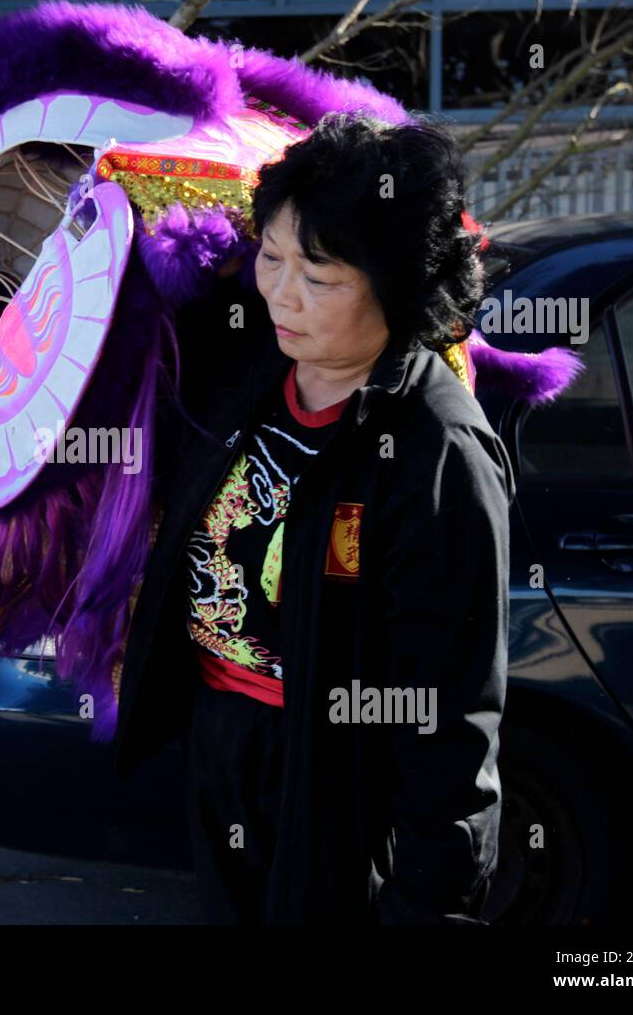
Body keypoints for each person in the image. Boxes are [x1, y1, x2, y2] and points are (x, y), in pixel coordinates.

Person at [110, 112, 517, 925]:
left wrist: (427, 901)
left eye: (319, 276)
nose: (281, 295)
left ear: (398, 286)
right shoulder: (256, 373)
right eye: (271, 257)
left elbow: (450, 717)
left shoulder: (437, 449)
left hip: (337, 781)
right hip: (225, 750)